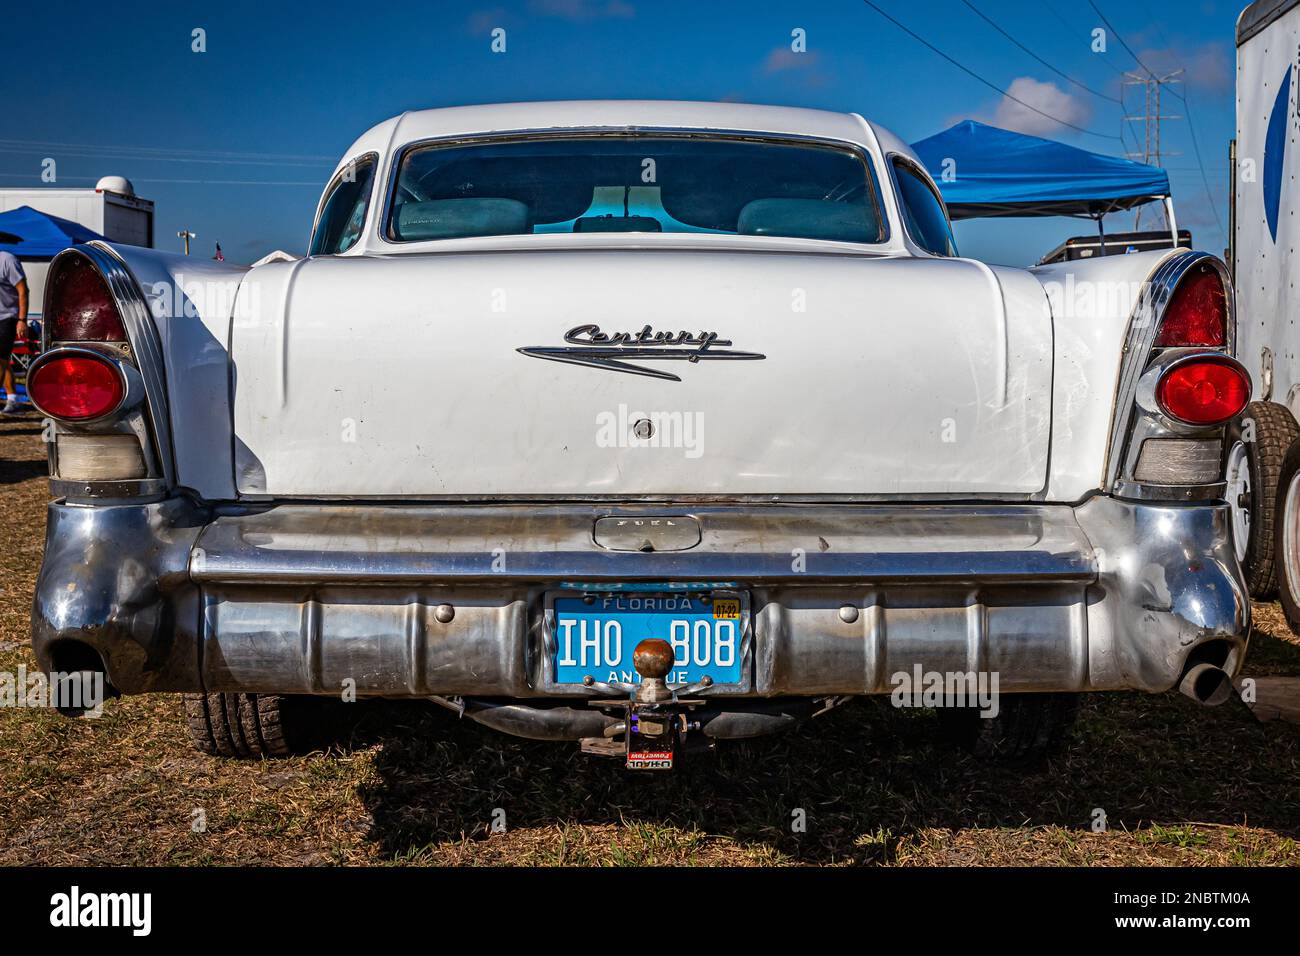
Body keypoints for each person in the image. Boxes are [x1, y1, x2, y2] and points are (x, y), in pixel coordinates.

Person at [0, 249, 29, 414]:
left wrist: (22, 320)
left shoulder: (7, 260)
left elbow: (23, 290)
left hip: (8, 318)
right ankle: (13, 400)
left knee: (0, 361)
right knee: (4, 362)